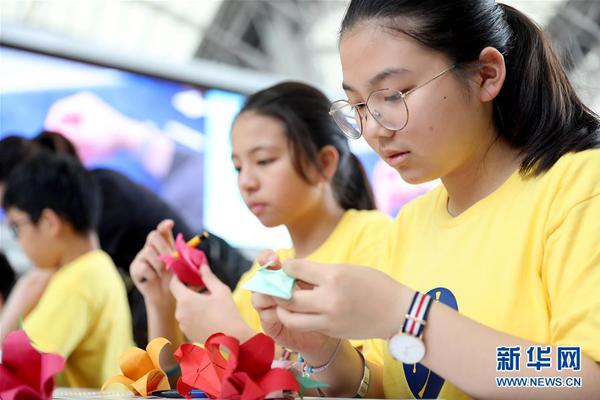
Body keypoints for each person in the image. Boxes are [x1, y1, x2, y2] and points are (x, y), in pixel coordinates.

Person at [251, 1, 600, 399]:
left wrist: (406, 316)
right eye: (360, 105)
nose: (375, 130)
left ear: (486, 75)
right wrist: (323, 350)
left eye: (395, 95)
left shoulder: (580, 188)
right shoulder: (413, 222)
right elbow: (403, 387)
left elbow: (583, 380)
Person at [130, 82, 393, 375]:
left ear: (324, 163)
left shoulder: (374, 237)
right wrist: (161, 301)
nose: (247, 182)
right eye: (238, 167)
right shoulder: (265, 268)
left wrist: (236, 336)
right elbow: (183, 377)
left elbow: (367, 381)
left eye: (264, 161)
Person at [0, 132, 252, 347]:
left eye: (15, 222)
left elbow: (38, 282)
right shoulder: (92, 259)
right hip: (173, 291)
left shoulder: (83, 264)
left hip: (213, 282)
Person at [0, 152, 133, 388]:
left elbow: (15, 376)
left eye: (16, 228)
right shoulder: (100, 265)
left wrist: (14, 309)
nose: (18, 241)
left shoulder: (76, 280)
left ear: (49, 222)